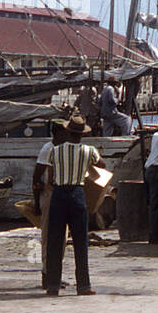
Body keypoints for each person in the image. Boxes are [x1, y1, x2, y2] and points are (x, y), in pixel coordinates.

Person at [45, 116, 102, 296]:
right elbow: (102, 165)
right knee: (80, 241)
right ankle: (83, 285)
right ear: (82, 134)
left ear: (68, 132)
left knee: (55, 241)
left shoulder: (55, 151)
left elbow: (50, 176)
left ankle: (52, 285)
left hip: (59, 194)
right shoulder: (89, 150)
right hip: (78, 194)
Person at [32, 119, 69, 290]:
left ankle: (55, 273)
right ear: (59, 133)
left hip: (61, 194)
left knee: (61, 237)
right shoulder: (48, 149)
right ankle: (47, 274)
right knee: (48, 236)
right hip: (49, 194)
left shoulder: (63, 148)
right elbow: (37, 176)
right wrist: (36, 203)